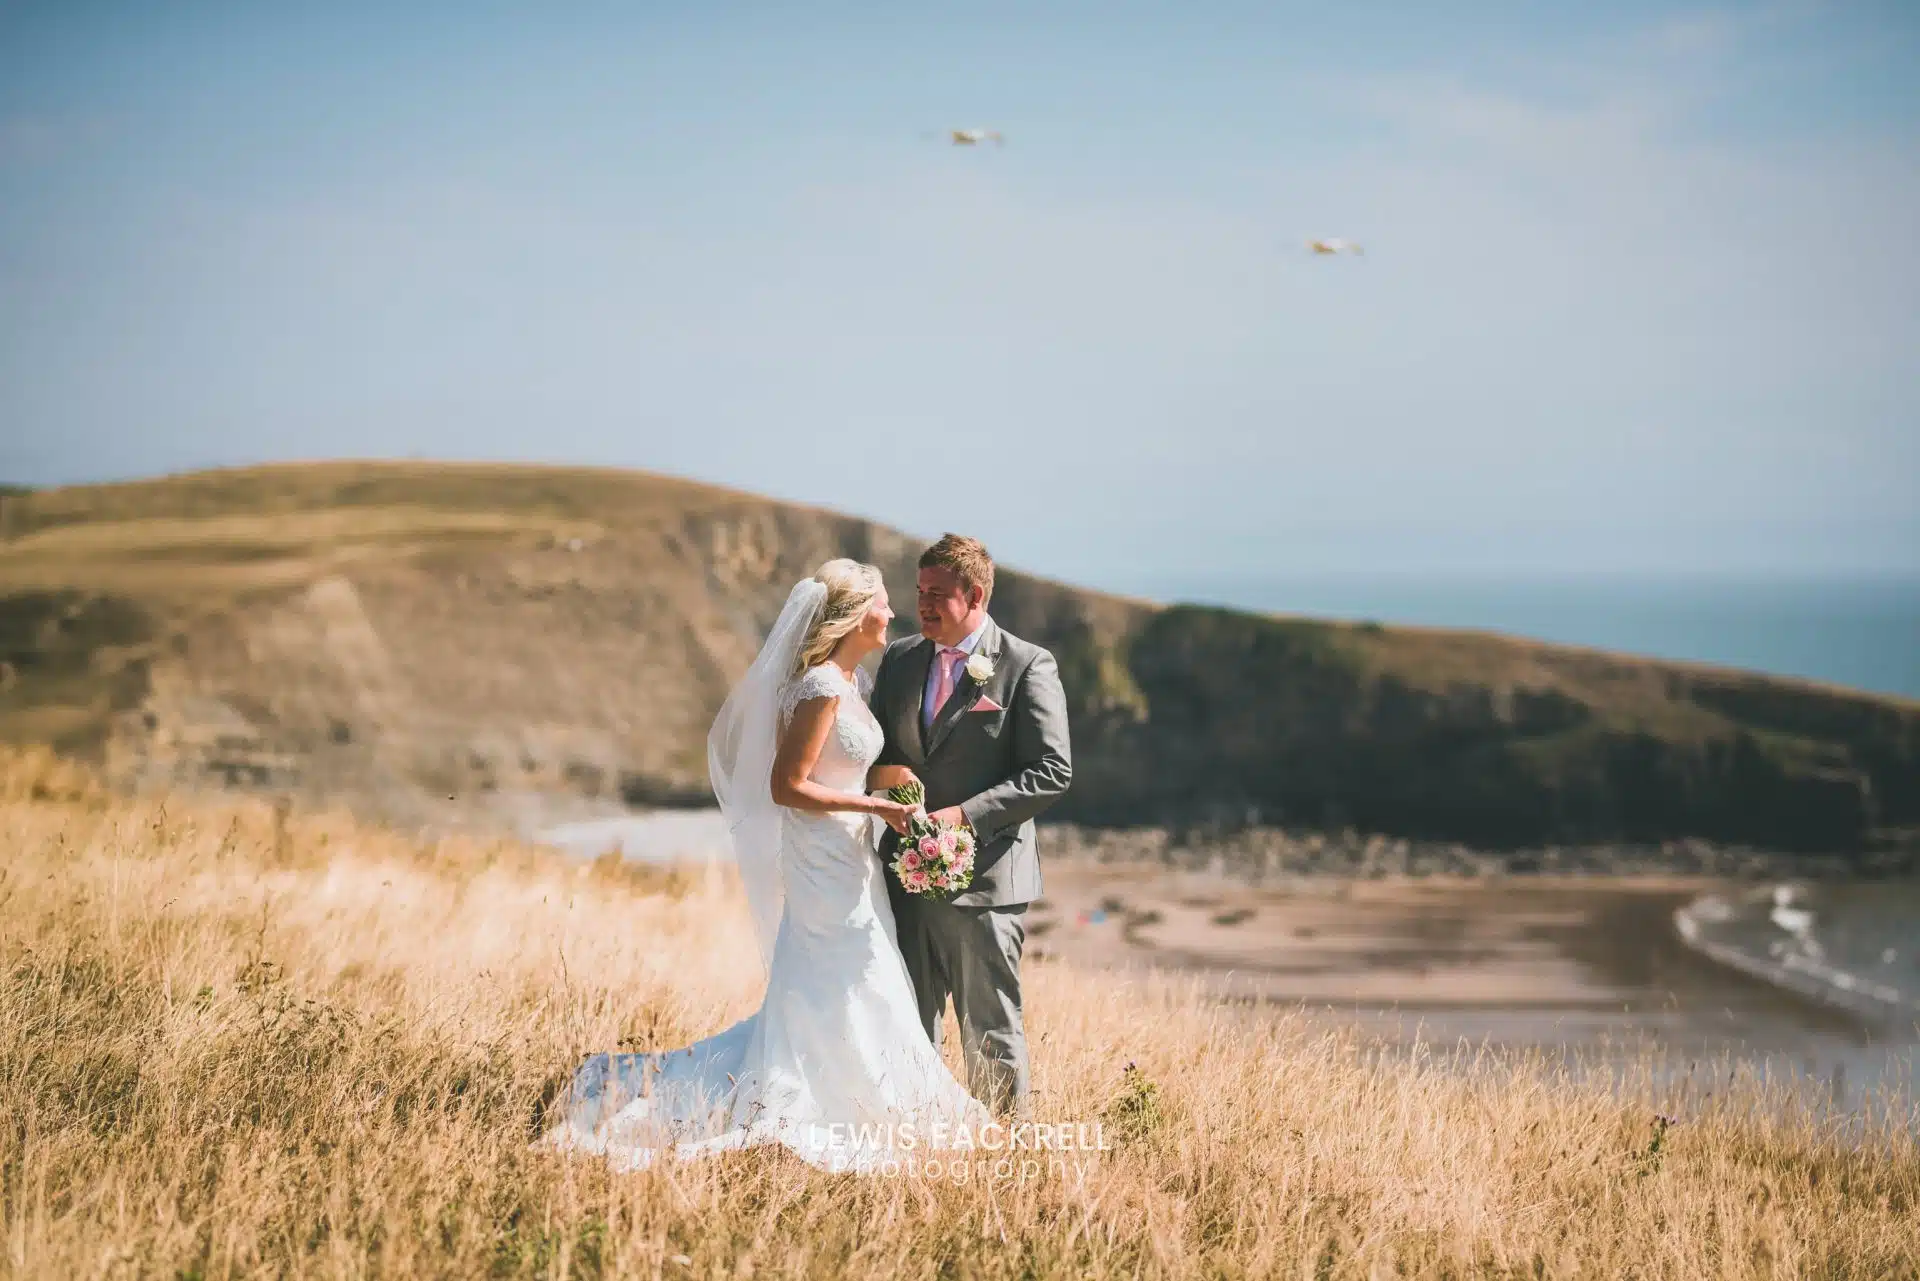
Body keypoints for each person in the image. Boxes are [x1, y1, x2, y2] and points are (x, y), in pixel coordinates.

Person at [540, 559, 989, 1171]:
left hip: (849, 852)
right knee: (842, 969)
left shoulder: (850, 682)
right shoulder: (821, 687)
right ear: (854, 615)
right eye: (883, 602)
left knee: (856, 967)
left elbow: (842, 766)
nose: (892, 612)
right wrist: (875, 806)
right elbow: (787, 786)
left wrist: (892, 783)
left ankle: (866, 1088)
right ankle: (839, 1095)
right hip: (821, 855)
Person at [868, 533, 1073, 1118]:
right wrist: (890, 785)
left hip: (986, 882)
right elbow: (874, 755)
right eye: (919, 591)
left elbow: (1052, 771)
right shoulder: (901, 659)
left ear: (976, 595)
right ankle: (919, 1136)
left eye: (937, 594)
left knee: (990, 1029)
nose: (923, 604)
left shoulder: (1026, 665)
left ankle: (1003, 1149)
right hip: (903, 876)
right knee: (908, 1022)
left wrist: (963, 818)